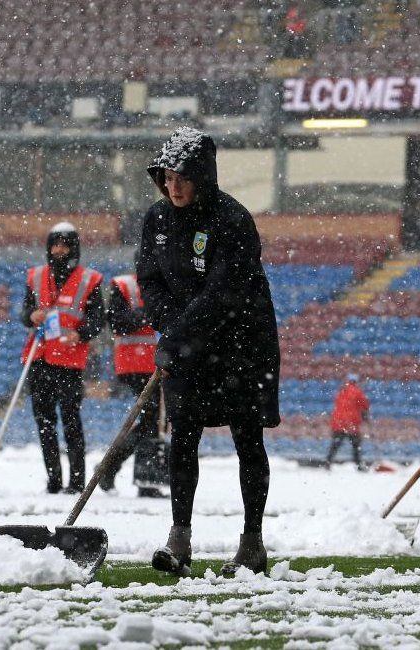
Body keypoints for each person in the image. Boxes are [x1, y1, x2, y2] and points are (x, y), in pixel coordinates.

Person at [137, 126, 280, 578]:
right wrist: (172, 330)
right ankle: (179, 540)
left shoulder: (232, 220)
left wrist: (176, 336)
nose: (173, 187)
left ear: (202, 175)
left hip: (242, 346)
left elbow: (224, 294)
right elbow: (150, 281)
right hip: (188, 348)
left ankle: (252, 544)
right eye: (166, 178)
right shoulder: (156, 220)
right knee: (182, 438)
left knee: (247, 440)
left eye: (181, 177)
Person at [21, 222, 106, 494]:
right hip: (40, 357)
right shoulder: (35, 276)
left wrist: (80, 334)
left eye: (64, 245)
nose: (59, 250)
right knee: (44, 423)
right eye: (55, 245)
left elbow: (97, 320)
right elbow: (24, 314)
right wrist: (31, 316)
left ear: (74, 248)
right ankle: (54, 480)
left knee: (71, 421)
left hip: (69, 362)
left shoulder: (89, 280)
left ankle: (77, 481)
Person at [97, 272, 170, 498]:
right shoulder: (124, 285)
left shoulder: (170, 283)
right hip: (136, 362)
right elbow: (117, 322)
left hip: (161, 362)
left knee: (155, 420)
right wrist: (150, 314)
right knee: (153, 420)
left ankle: (121, 471)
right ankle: (127, 474)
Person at [324, 373, 369, 471]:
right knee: (356, 446)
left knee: (335, 445)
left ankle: (327, 463)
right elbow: (364, 405)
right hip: (351, 423)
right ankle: (358, 465)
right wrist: (365, 416)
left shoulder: (341, 391)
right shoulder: (358, 392)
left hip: (339, 422)